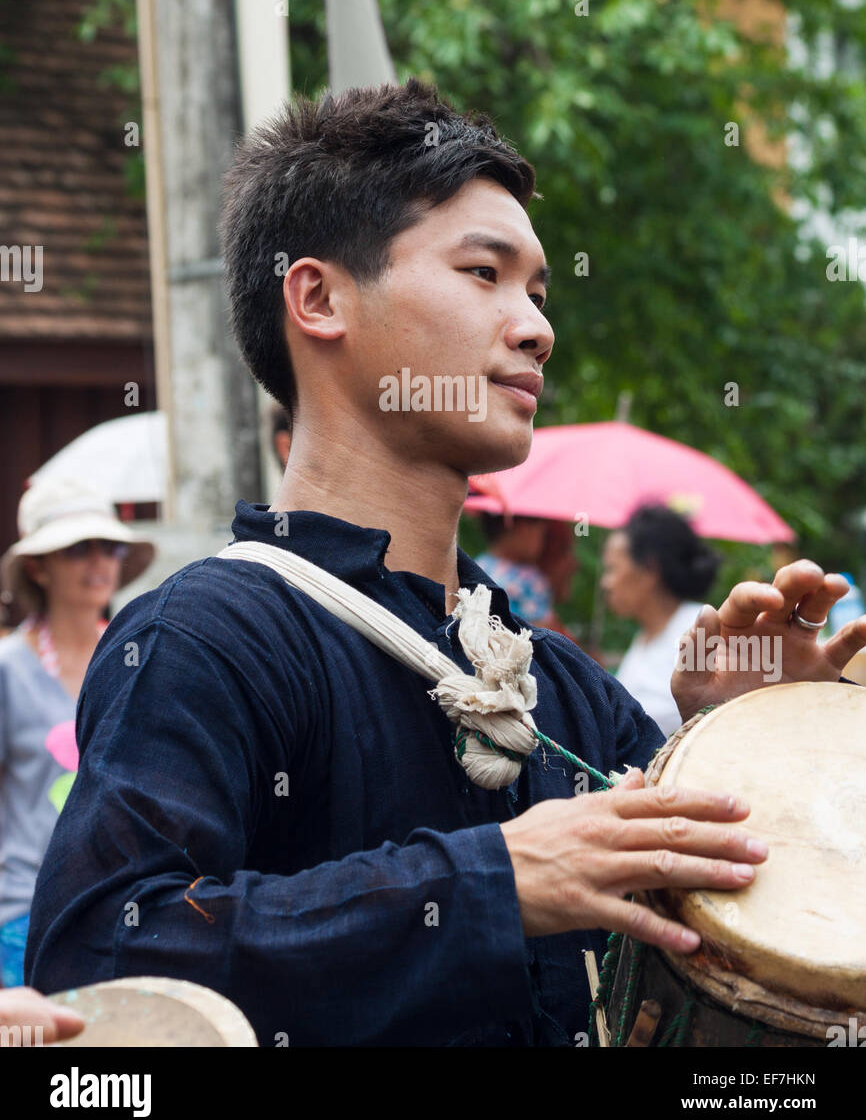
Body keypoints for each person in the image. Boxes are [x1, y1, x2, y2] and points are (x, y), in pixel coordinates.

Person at [26, 80, 866, 1047]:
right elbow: (99, 958)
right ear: (319, 297)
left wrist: (748, 747)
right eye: (483, 274)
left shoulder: (558, 684)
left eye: (539, 294)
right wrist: (490, 883)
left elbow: (724, 989)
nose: (536, 327)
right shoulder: (210, 636)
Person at [0, 477, 154, 987]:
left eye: (108, 546)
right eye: (76, 549)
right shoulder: (8, 670)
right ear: (37, 566)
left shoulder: (140, 657)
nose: (98, 562)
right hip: (26, 914)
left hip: (127, 908)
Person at [601, 504, 721, 737]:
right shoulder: (644, 637)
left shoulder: (698, 628)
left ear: (649, 571)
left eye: (612, 569)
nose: (606, 583)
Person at [475, 512, 578, 636]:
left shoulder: (478, 565)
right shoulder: (531, 580)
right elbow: (543, 631)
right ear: (523, 529)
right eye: (541, 534)